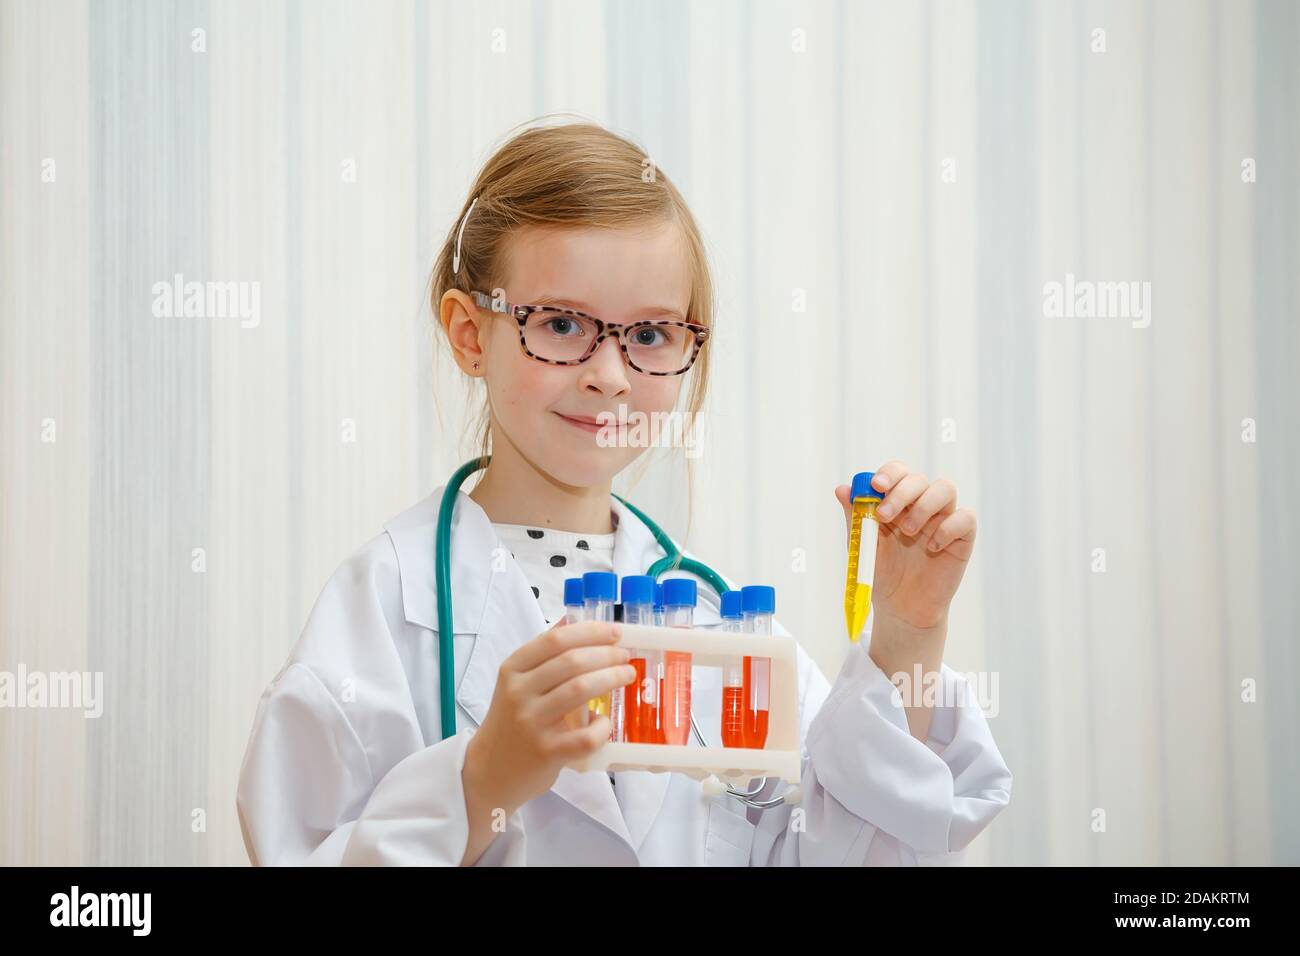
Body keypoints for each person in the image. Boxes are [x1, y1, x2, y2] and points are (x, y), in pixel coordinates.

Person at [235, 120, 1011, 866]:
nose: (610, 375)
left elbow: (863, 854)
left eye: (648, 336)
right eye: (563, 324)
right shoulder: (382, 610)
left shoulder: (720, 625)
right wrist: (479, 785)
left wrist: (908, 633)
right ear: (472, 335)